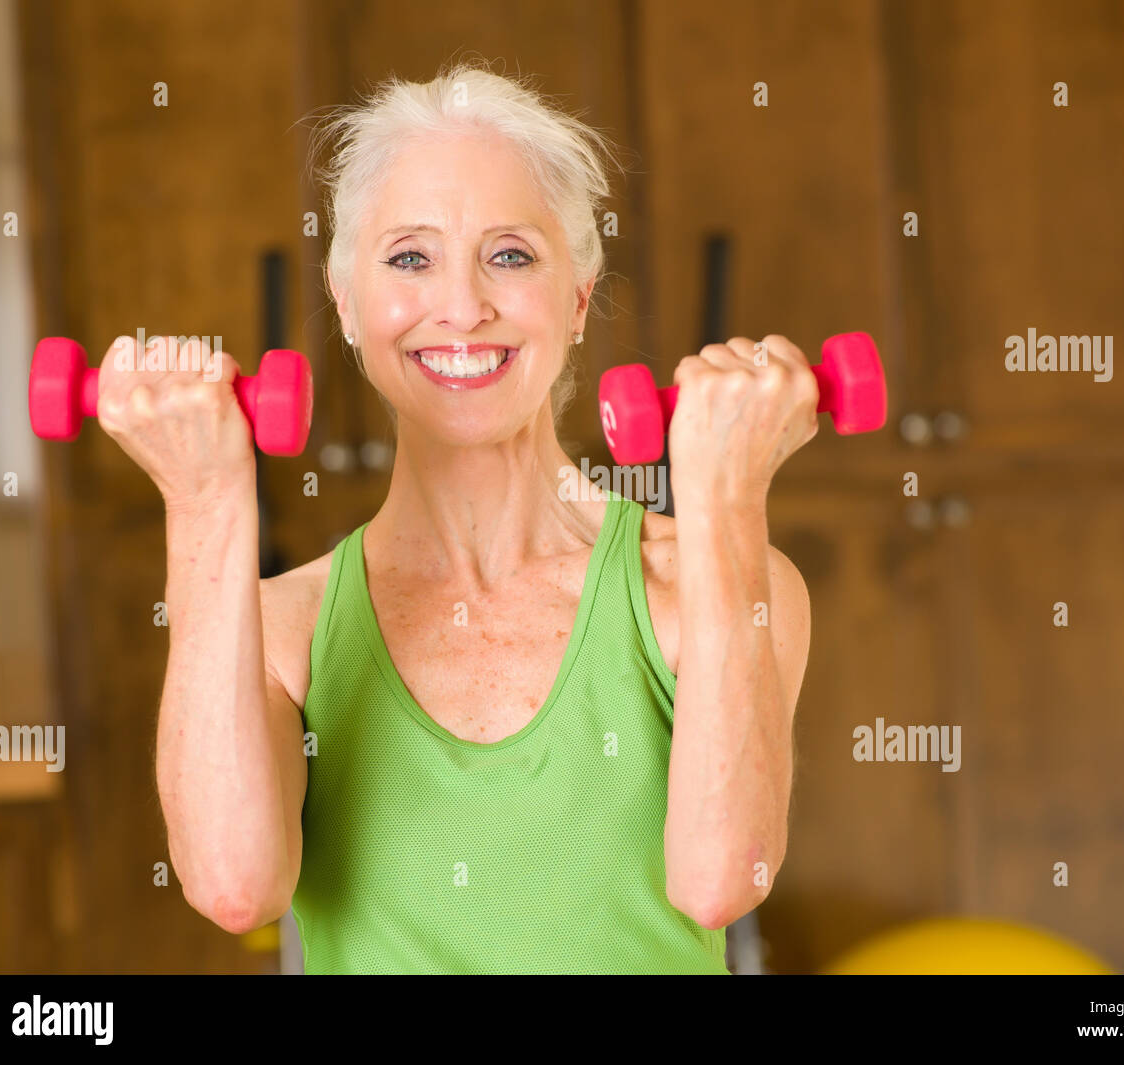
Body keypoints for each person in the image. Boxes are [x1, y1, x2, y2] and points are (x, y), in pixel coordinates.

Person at [108, 59, 815, 974]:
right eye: (410, 257)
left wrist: (725, 492)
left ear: (577, 299)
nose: (461, 307)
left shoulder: (700, 585)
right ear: (348, 304)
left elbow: (723, 879)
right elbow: (234, 887)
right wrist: (203, 500)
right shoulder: (287, 630)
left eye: (510, 255)